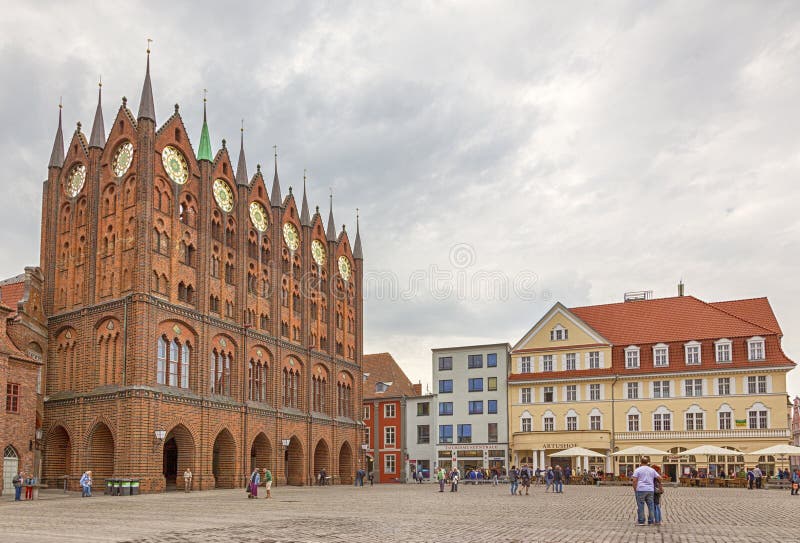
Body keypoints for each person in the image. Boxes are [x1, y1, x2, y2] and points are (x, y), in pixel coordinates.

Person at [632, 456, 660, 526]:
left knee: (640, 505)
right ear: (648, 462)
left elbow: (634, 480)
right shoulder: (652, 470)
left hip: (640, 489)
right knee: (651, 506)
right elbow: (659, 477)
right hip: (650, 490)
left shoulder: (638, 470)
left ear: (641, 462)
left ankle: (641, 521)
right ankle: (651, 521)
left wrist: (635, 489)